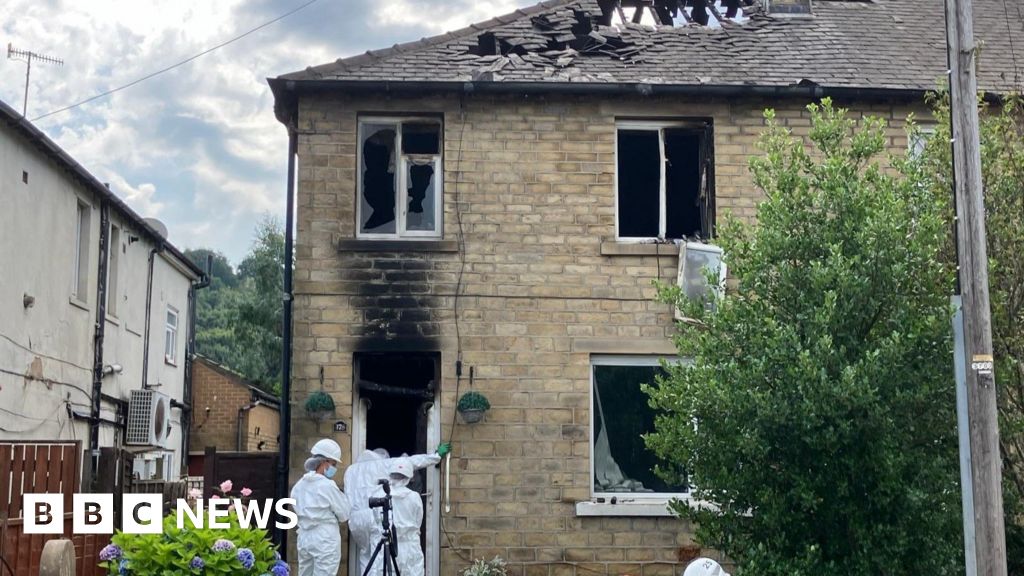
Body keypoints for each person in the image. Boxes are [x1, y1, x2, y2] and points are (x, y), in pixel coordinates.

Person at [346, 443, 450, 576]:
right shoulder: (413, 496)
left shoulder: (355, 474)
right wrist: (435, 456)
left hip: (370, 530)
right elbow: (418, 520)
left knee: (374, 564)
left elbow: (373, 517)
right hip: (407, 542)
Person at [290, 438, 351, 576]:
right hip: (325, 537)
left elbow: (296, 506)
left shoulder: (299, 485)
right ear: (324, 462)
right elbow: (344, 514)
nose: (334, 468)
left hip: (304, 536)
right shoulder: (327, 486)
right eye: (333, 464)